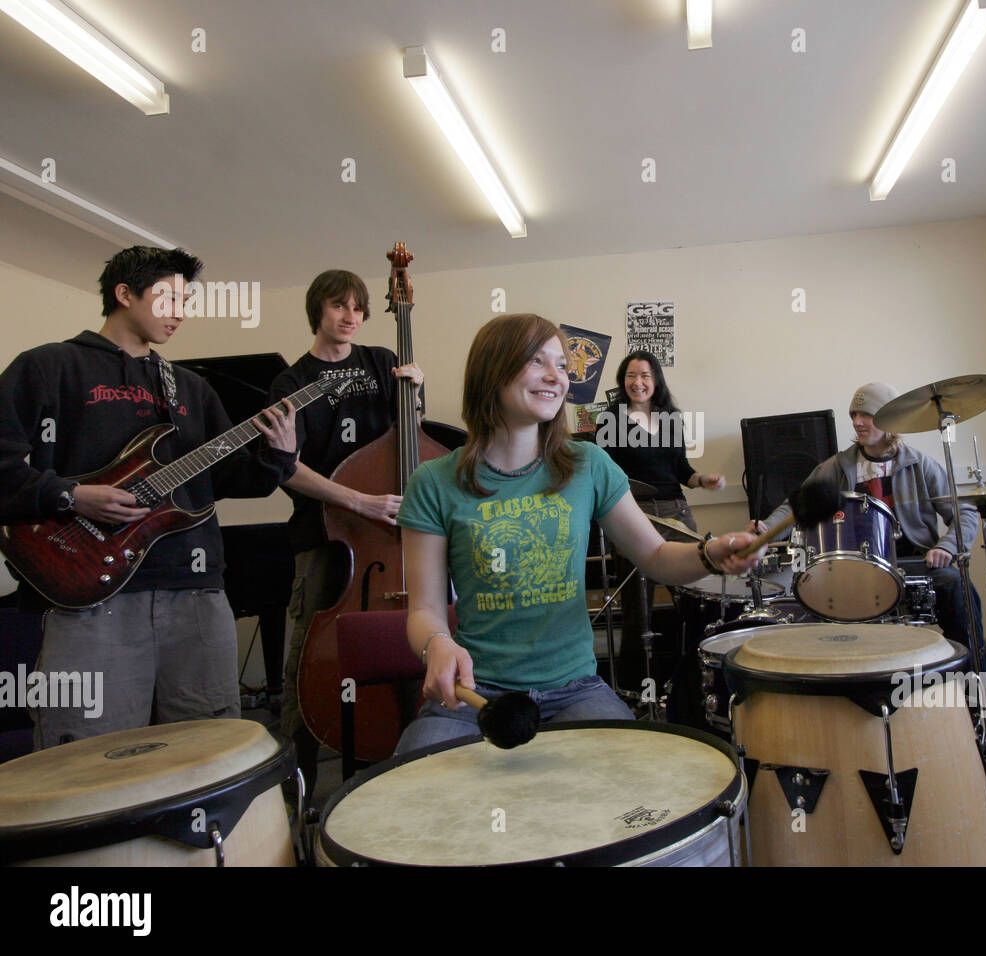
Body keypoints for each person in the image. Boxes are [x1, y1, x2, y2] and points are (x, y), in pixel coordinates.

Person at [394, 313, 763, 752]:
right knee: (413, 784)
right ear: (492, 370)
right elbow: (425, 610)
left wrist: (710, 553)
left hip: (574, 689)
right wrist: (436, 643)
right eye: (537, 362)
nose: (557, 377)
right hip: (477, 692)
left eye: (562, 367)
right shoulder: (433, 482)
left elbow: (657, 557)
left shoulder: (588, 464)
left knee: (640, 789)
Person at [0, 245, 298, 748]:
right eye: (168, 298)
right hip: (88, 594)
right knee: (89, 759)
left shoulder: (189, 388)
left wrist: (280, 455)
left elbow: (231, 480)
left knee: (211, 747)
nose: (180, 312)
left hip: (196, 590)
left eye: (187, 300)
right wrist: (71, 496)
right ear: (124, 293)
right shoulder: (48, 368)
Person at [267, 269, 424, 800]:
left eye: (358, 308)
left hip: (394, 541)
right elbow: (285, 467)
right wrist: (358, 500)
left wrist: (415, 397)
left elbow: (410, 439)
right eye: (340, 306)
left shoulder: (381, 362)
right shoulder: (292, 384)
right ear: (318, 310)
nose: (351, 317)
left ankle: (421, 749)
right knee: (306, 656)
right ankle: (298, 785)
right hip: (329, 538)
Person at [752, 382, 983, 646]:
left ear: (890, 418)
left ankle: (974, 673)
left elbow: (963, 513)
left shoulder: (920, 464)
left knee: (956, 584)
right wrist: (766, 527)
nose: (857, 422)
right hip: (854, 567)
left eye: (867, 415)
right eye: (853, 416)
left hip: (913, 562)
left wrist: (947, 547)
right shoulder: (837, 466)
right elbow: (794, 506)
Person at [595, 350, 726, 685]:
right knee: (638, 613)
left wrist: (702, 480)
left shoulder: (671, 419)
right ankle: (636, 689)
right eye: (631, 376)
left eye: (645, 376)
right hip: (634, 516)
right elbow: (605, 477)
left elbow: (682, 470)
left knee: (695, 605)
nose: (637, 383)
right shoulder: (610, 421)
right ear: (622, 381)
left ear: (656, 381)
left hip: (678, 513)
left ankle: (697, 682)